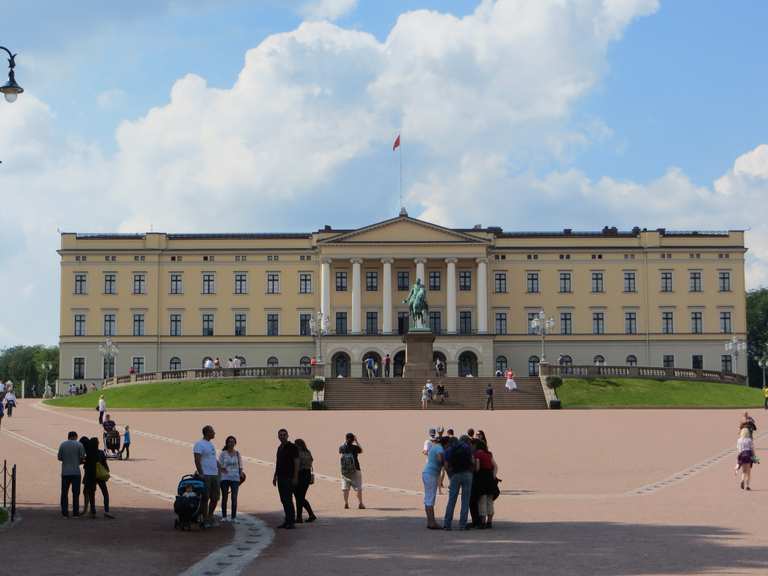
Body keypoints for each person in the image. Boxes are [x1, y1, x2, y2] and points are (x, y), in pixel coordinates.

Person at [443, 435, 475, 530]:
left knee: (452, 500)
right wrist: (471, 473)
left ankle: (447, 524)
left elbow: (446, 465)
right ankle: (462, 525)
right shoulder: (467, 448)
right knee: (465, 501)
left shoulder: (451, 449)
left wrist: (451, 475)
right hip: (467, 474)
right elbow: (472, 462)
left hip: (455, 475)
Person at [193, 425, 220, 528]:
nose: (214, 433)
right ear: (207, 433)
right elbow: (197, 459)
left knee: (215, 497)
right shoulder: (199, 444)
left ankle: (210, 516)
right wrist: (201, 473)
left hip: (214, 474)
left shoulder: (211, 444)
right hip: (206, 475)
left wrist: (220, 469)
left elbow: (214, 459)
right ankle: (204, 519)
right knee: (205, 497)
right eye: (212, 431)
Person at [273, 428, 299, 529]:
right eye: (280, 435)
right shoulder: (280, 448)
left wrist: (295, 477)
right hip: (281, 477)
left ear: (287, 436)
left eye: (284, 435)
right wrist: (275, 476)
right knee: (283, 499)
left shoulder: (292, 447)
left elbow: (296, 462)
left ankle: (291, 521)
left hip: (289, 477)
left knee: (288, 499)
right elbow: (278, 463)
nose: (282, 436)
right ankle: (287, 520)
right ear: (278, 436)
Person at [84, 437, 114, 519]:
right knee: (105, 493)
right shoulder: (101, 453)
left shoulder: (88, 453)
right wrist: (107, 471)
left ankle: (93, 512)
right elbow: (105, 464)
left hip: (91, 475)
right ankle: (106, 511)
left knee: (91, 494)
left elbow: (85, 466)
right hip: (100, 475)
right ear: (97, 444)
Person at [58, 431, 86, 517]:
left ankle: (65, 512)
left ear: (68, 436)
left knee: (64, 493)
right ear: (75, 437)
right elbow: (83, 458)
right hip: (76, 472)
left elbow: (59, 457)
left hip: (65, 472)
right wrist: (78, 462)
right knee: (76, 493)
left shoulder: (62, 444)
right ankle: (75, 513)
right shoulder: (79, 445)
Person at [423, 435, 448, 529]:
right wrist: (445, 463)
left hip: (428, 473)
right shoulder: (440, 449)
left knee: (428, 498)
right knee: (430, 498)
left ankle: (430, 521)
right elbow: (440, 459)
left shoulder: (436, 447)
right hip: (431, 474)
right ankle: (432, 522)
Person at [473, 440, 498, 528]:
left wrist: (474, 472)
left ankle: (482, 522)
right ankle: (489, 522)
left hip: (481, 478)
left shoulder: (477, 454)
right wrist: (493, 476)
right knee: (489, 501)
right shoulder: (489, 454)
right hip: (489, 478)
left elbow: (477, 467)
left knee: (482, 501)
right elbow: (495, 466)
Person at [219, 435, 244, 523]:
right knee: (224, 497)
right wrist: (222, 470)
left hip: (235, 478)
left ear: (235, 443)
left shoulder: (237, 453)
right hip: (225, 478)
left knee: (234, 497)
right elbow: (219, 464)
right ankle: (224, 516)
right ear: (227, 443)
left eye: (233, 442)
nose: (231, 443)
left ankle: (233, 517)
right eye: (229, 441)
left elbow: (241, 465)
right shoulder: (223, 453)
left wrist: (240, 474)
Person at [339, 432, 365, 510]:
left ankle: (346, 503)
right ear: (353, 440)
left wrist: (345, 441)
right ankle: (360, 503)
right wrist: (356, 441)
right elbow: (361, 450)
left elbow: (340, 449)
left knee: (345, 488)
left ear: (346, 439)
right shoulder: (355, 448)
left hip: (345, 470)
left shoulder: (342, 448)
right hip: (356, 469)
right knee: (358, 487)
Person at [294, 439, 317, 523]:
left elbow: (296, 465)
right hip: (307, 475)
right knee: (301, 497)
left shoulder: (297, 453)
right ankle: (309, 515)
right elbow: (311, 461)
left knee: (299, 497)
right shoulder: (308, 452)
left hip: (300, 475)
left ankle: (300, 517)